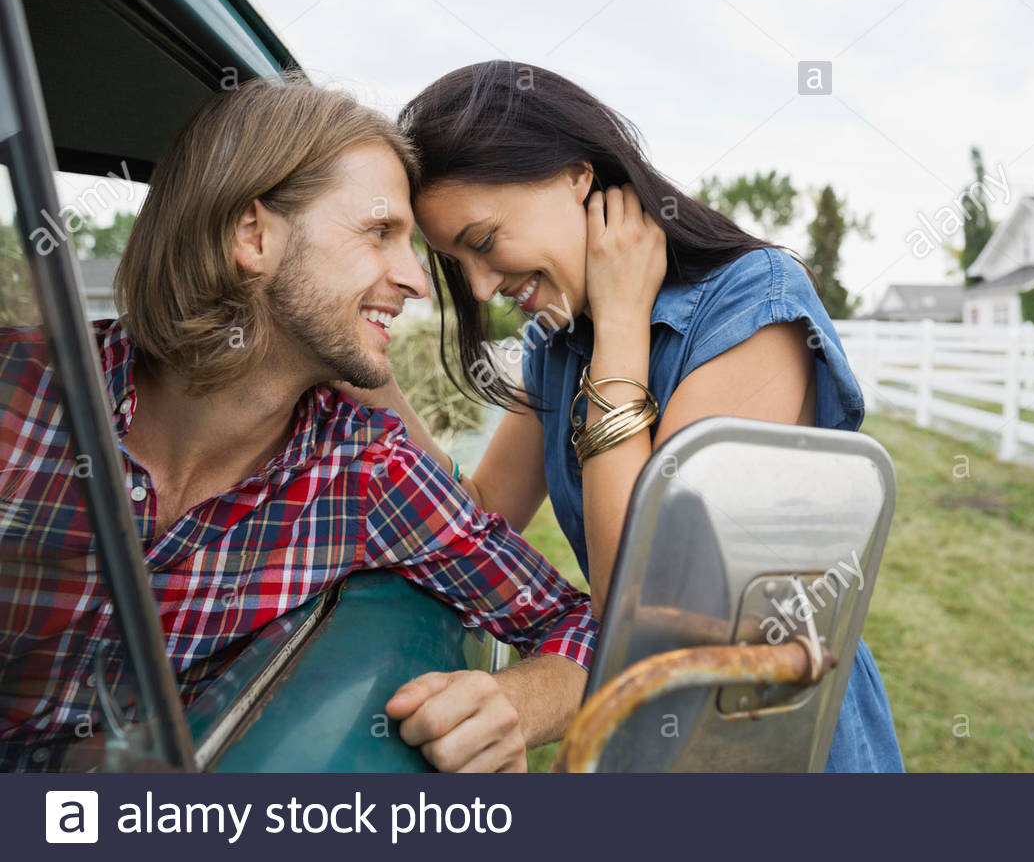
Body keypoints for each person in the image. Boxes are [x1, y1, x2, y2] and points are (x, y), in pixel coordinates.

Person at [0, 76, 595, 773]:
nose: (417, 280)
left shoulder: (368, 473)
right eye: (380, 233)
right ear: (253, 234)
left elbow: (574, 625)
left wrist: (514, 705)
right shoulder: (21, 392)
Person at [350, 60, 905, 772]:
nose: (483, 285)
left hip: (766, 738)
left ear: (577, 179)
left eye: (484, 242)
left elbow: (645, 609)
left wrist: (620, 327)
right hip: (646, 735)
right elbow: (480, 511)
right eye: (458, 262)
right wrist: (367, 372)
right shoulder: (558, 341)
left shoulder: (752, 306)